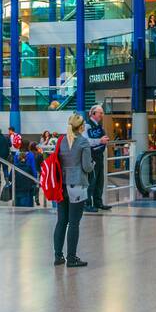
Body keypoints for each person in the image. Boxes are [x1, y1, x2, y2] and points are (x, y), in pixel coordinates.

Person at [54, 114, 95, 268]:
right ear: (82, 127)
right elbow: (87, 167)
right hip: (77, 184)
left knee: (61, 221)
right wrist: (93, 164)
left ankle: (58, 256)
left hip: (61, 185)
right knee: (74, 223)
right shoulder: (83, 142)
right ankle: (71, 258)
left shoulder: (61, 140)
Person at [85, 104, 111, 212]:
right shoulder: (87, 126)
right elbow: (86, 141)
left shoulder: (98, 126)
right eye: (100, 113)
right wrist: (100, 141)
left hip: (99, 156)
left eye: (102, 113)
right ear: (93, 113)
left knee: (100, 180)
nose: (102, 115)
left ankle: (98, 203)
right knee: (92, 181)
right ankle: (88, 204)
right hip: (92, 157)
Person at [15, 142, 40, 207]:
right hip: (28, 176)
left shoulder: (16, 154)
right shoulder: (30, 154)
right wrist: (35, 178)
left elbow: (14, 166)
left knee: (18, 195)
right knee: (29, 194)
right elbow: (33, 167)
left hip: (18, 177)